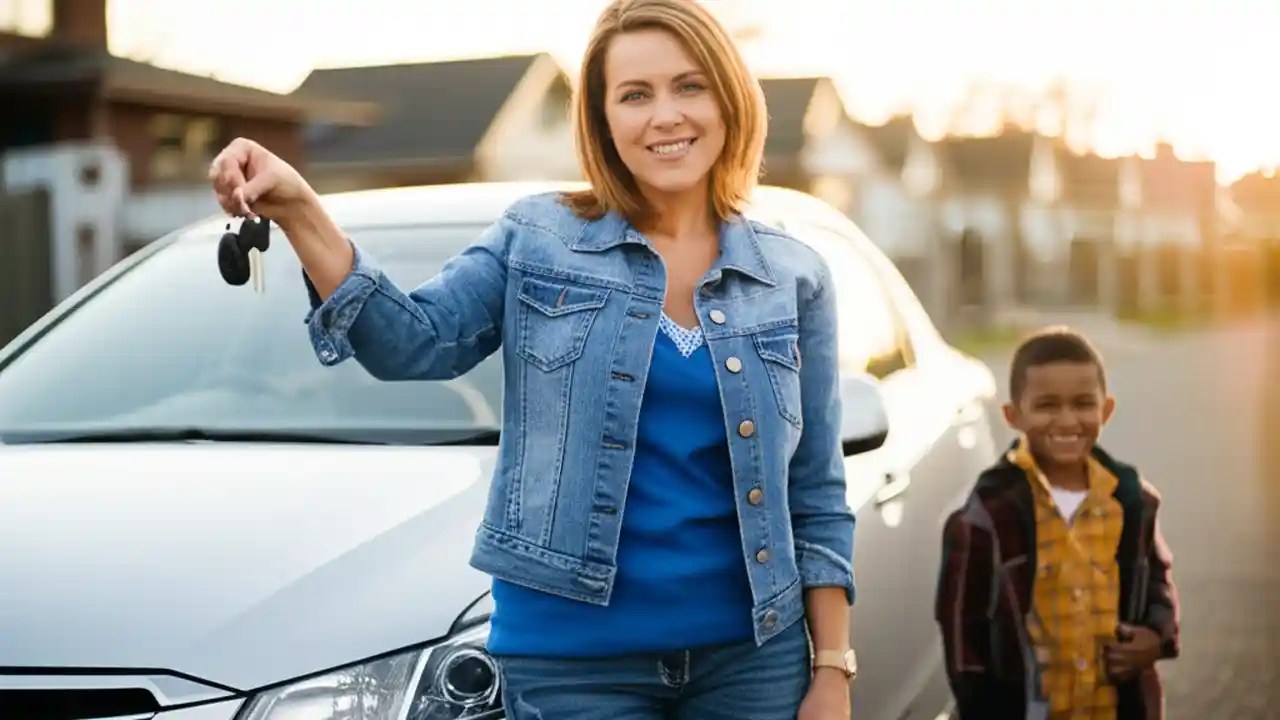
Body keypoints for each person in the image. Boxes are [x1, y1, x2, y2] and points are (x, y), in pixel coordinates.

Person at [207, 1, 858, 718]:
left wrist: (832, 668)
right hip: (571, 664)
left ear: (730, 99)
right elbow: (414, 341)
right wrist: (300, 207)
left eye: (689, 86)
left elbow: (817, 494)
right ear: (604, 120)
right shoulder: (539, 239)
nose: (665, 115)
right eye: (634, 95)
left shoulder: (793, 276)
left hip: (753, 664)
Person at [935, 326, 1180, 720]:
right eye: (1047, 405)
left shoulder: (1133, 501)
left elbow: (1157, 578)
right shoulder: (984, 518)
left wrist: (1157, 635)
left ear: (1106, 410)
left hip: (1115, 707)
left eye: (1083, 403)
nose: (1067, 420)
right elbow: (963, 635)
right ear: (1013, 416)